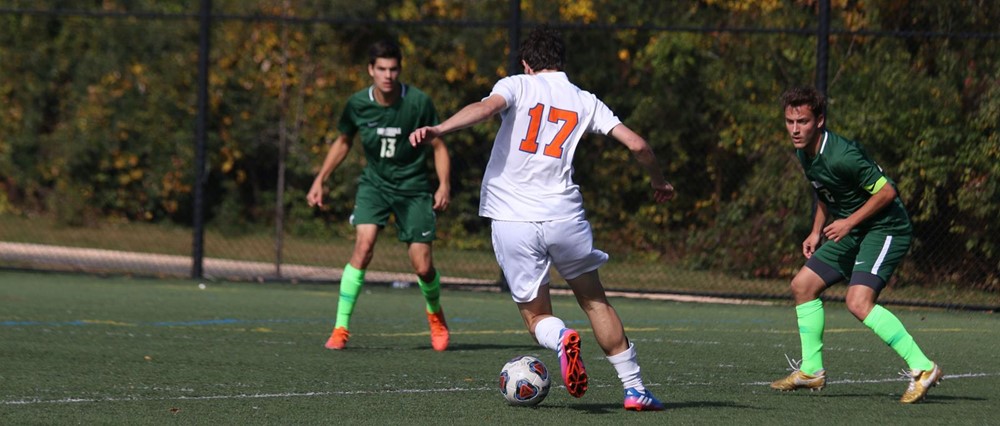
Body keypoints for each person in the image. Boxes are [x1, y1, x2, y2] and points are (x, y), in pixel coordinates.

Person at [409, 26, 674, 411]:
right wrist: (659, 181)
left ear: (526, 63)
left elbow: (485, 108)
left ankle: (561, 336)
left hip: (513, 218)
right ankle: (634, 389)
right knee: (595, 301)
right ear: (562, 62)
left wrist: (439, 128)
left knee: (536, 316)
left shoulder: (516, 84)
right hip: (564, 215)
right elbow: (638, 145)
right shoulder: (584, 100)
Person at [769, 85, 942, 403]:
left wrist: (848, 222)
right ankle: (811, 370)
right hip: (853, 229)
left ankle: (923, 367)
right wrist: (815, 231)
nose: (795, 129)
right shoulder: (803, 151)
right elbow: (825, 191)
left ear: (819, 120)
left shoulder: (844, 155)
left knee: (858, 302)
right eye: (790, 121)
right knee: (803, 286)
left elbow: (888, 191)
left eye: (802, 122)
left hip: (885, 228)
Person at [307, 39, 451, 352]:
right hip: (375, 184)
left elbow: (438, 145)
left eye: (393, 69)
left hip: (413, 188)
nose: (387, 74)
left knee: (422, 266)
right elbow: (344, 141)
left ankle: (436, 316)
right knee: (363, 246)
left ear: (399, 70)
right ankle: (340, 327)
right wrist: (320, 179)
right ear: (371, 70)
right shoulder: (358, 104)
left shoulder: (418, 102)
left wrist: (443, 184)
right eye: (381, 69)